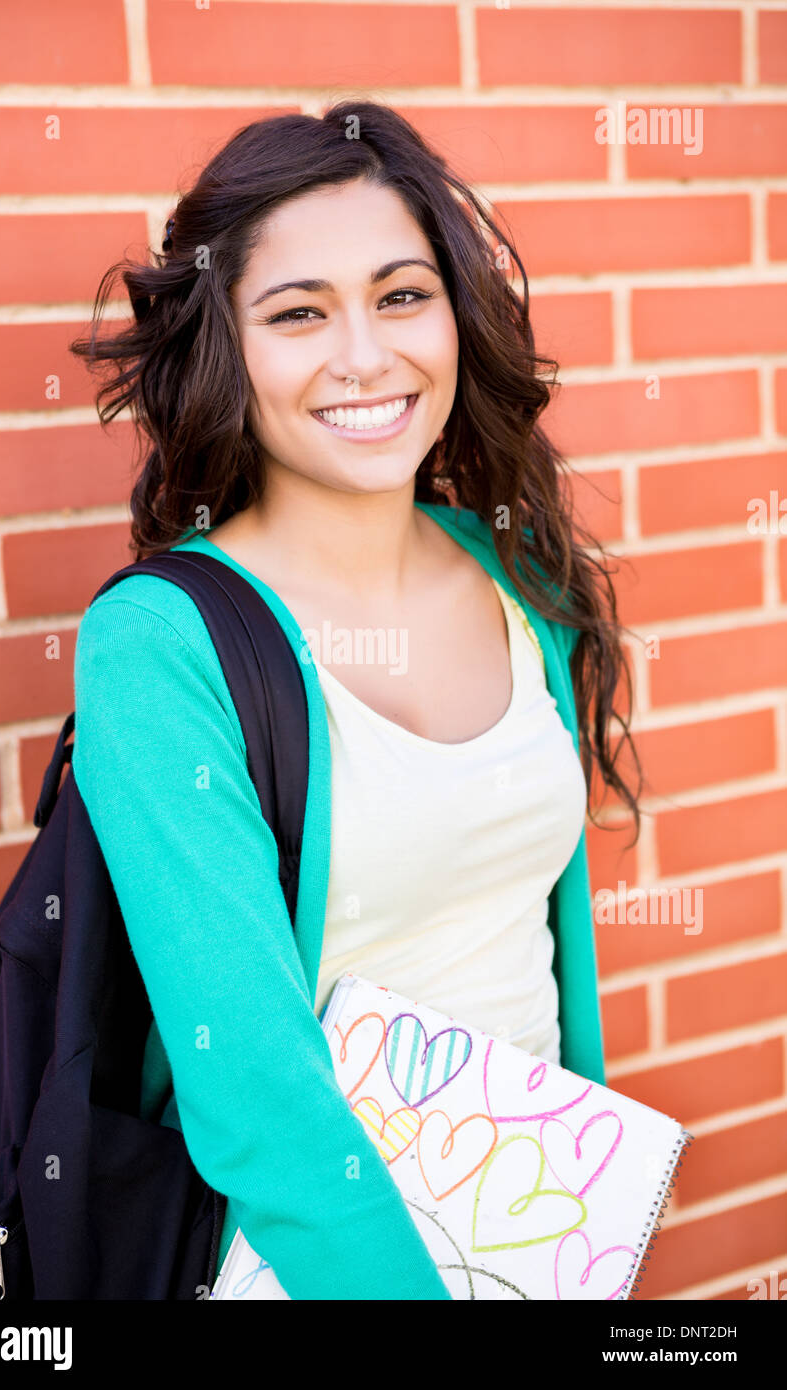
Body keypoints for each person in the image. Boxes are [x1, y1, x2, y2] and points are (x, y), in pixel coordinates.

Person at [68, 100, 642, 1301]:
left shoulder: (509, 572)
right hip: (308, 1266)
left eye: (398, 295)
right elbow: (251, 1086)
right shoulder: (158, 644)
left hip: (537, 1236)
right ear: (225, 347)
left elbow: (543, 943)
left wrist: (593, 1210)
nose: (364, 357)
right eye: (296, 314)